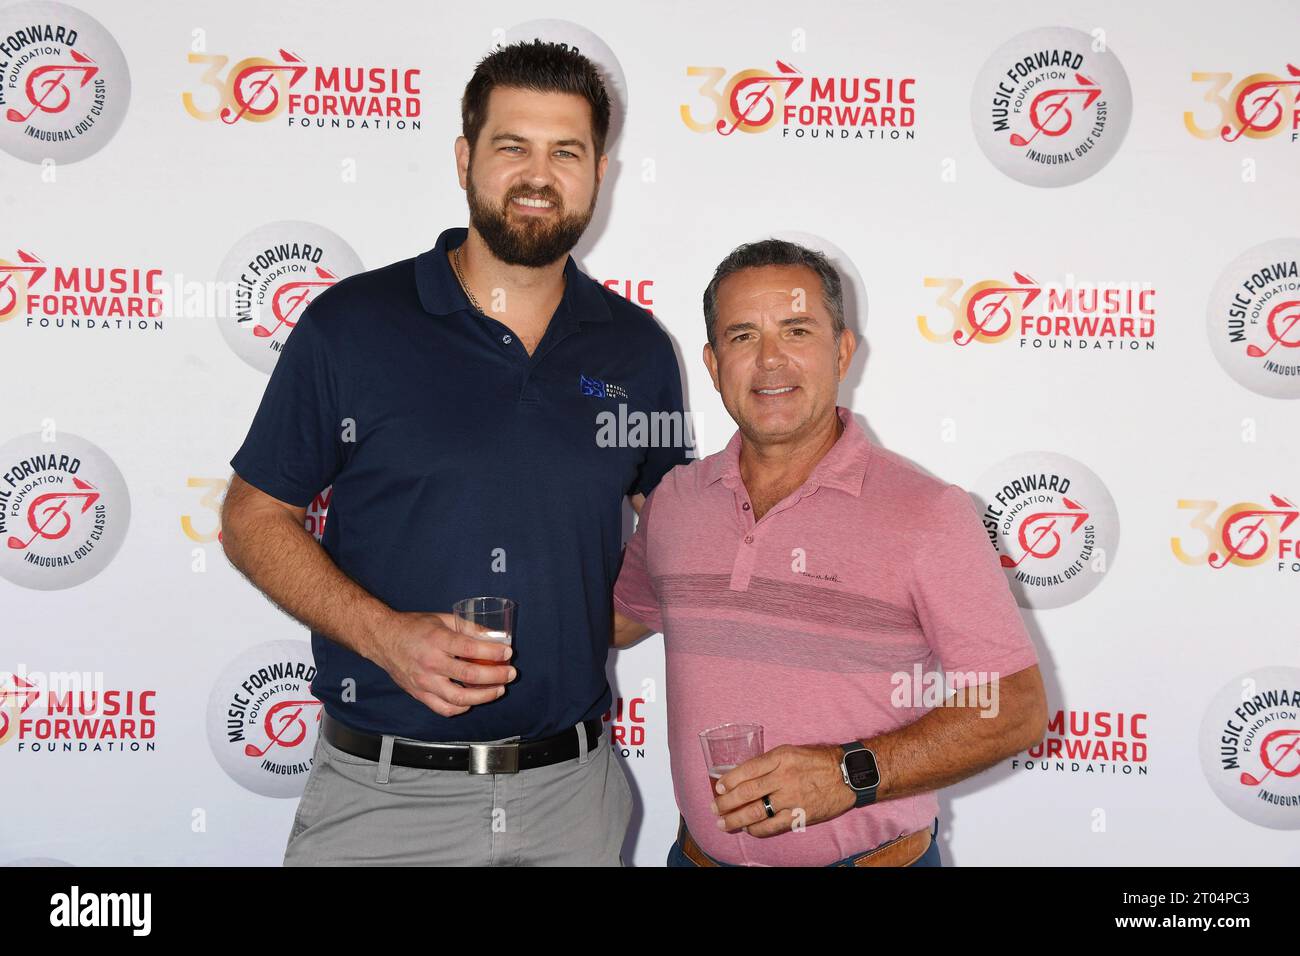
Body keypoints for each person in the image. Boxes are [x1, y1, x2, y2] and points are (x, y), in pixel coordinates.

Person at [221, 40, 687, 866]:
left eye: (566, 152)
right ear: (466, 158)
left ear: (600, 173)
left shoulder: (637, 352)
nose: (538, 175)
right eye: (513, 147)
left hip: (572, 801)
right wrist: (385, 636)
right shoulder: (353, 327)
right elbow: (254, 515)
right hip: (383, 802)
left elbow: (681, 533)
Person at [611, 239, 1047, 867]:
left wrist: (849, 774)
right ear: (711, 364)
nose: (769, 360)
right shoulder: (676, 502)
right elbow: (619, 618)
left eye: (796, 330)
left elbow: (1017, 709)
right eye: (741, 336)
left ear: (842, 350)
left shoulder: (927, 514)